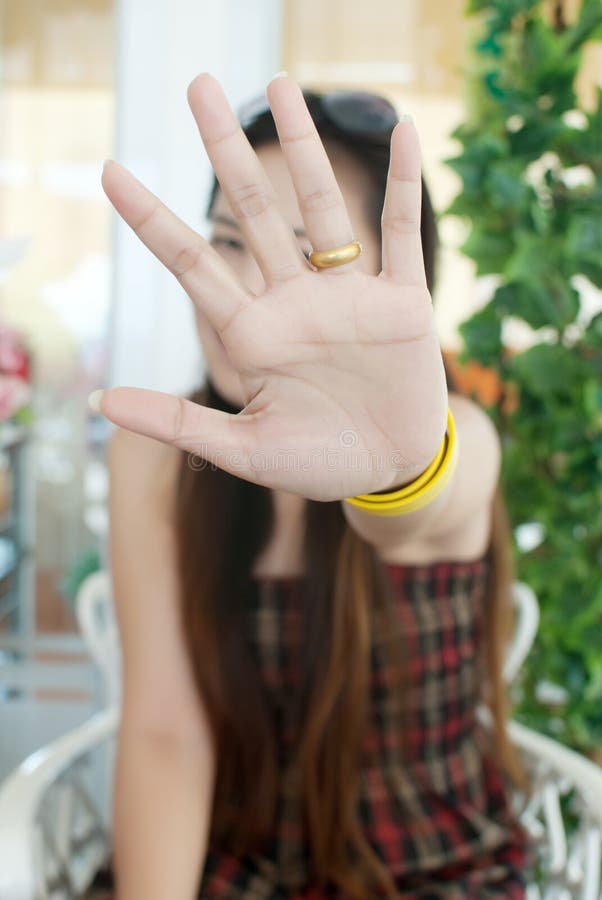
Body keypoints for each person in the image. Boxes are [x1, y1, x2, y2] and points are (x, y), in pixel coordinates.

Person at [96, 72, 531, 899]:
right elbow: (165, 735)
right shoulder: (158, 457)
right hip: (235, 866)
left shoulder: (458, 440)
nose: (249, 293)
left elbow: (420, 506)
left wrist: (395, 468)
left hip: (432, 872)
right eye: (232, 242)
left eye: (310, 256)